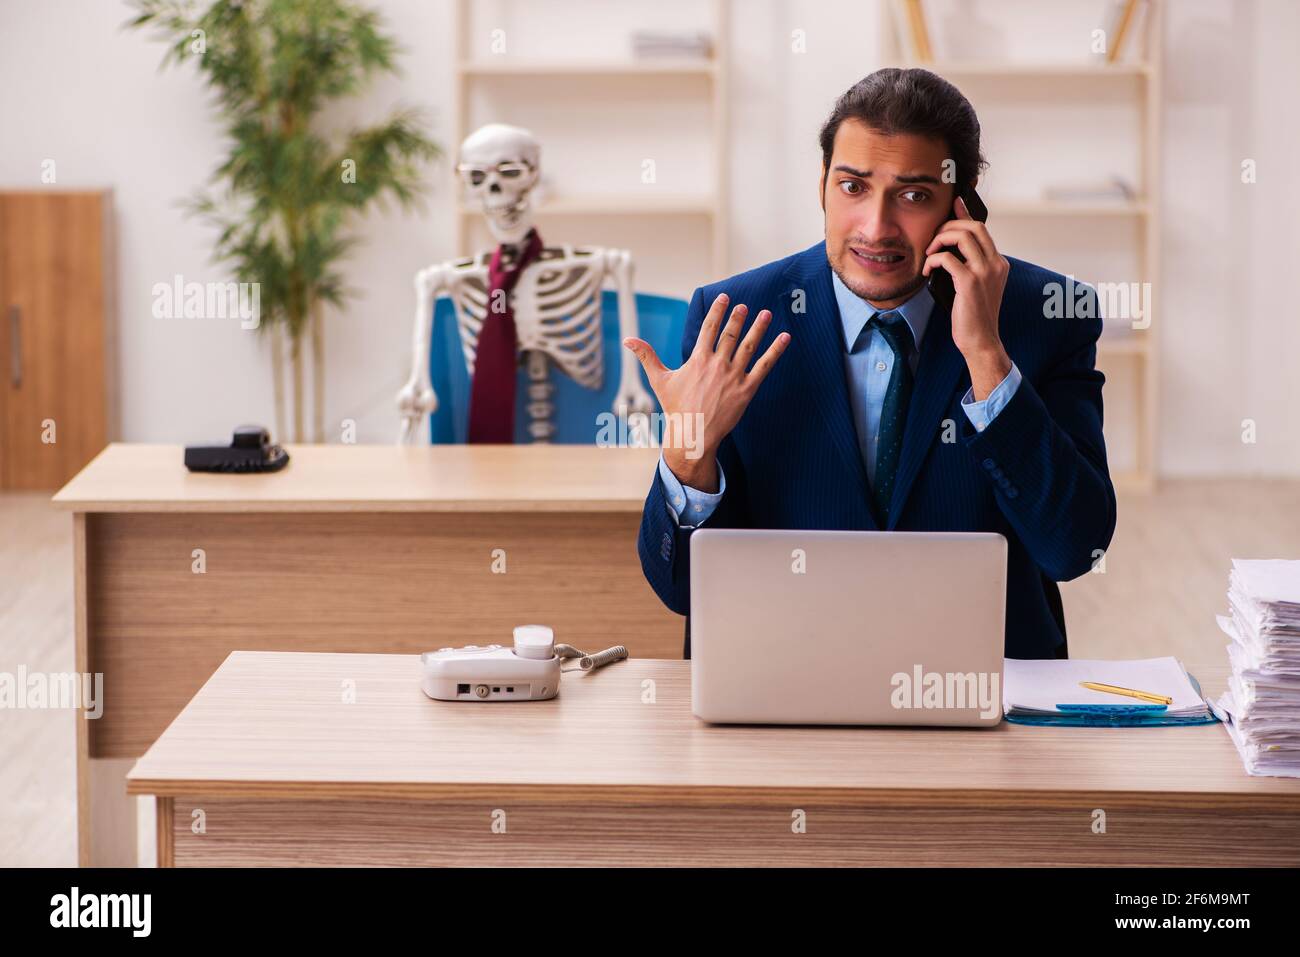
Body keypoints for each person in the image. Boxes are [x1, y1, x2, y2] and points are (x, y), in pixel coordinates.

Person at [624, 68, 1116, 660]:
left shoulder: (1048, 316)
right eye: (853, 187)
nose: (876, 228)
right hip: (786, 685)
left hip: (986, 691)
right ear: (823, 186)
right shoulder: (735, 317)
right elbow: (680, 591)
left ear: (964, 204)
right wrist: (686, 452)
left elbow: (1073, 549)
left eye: (913, 195)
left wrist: (986, 354)